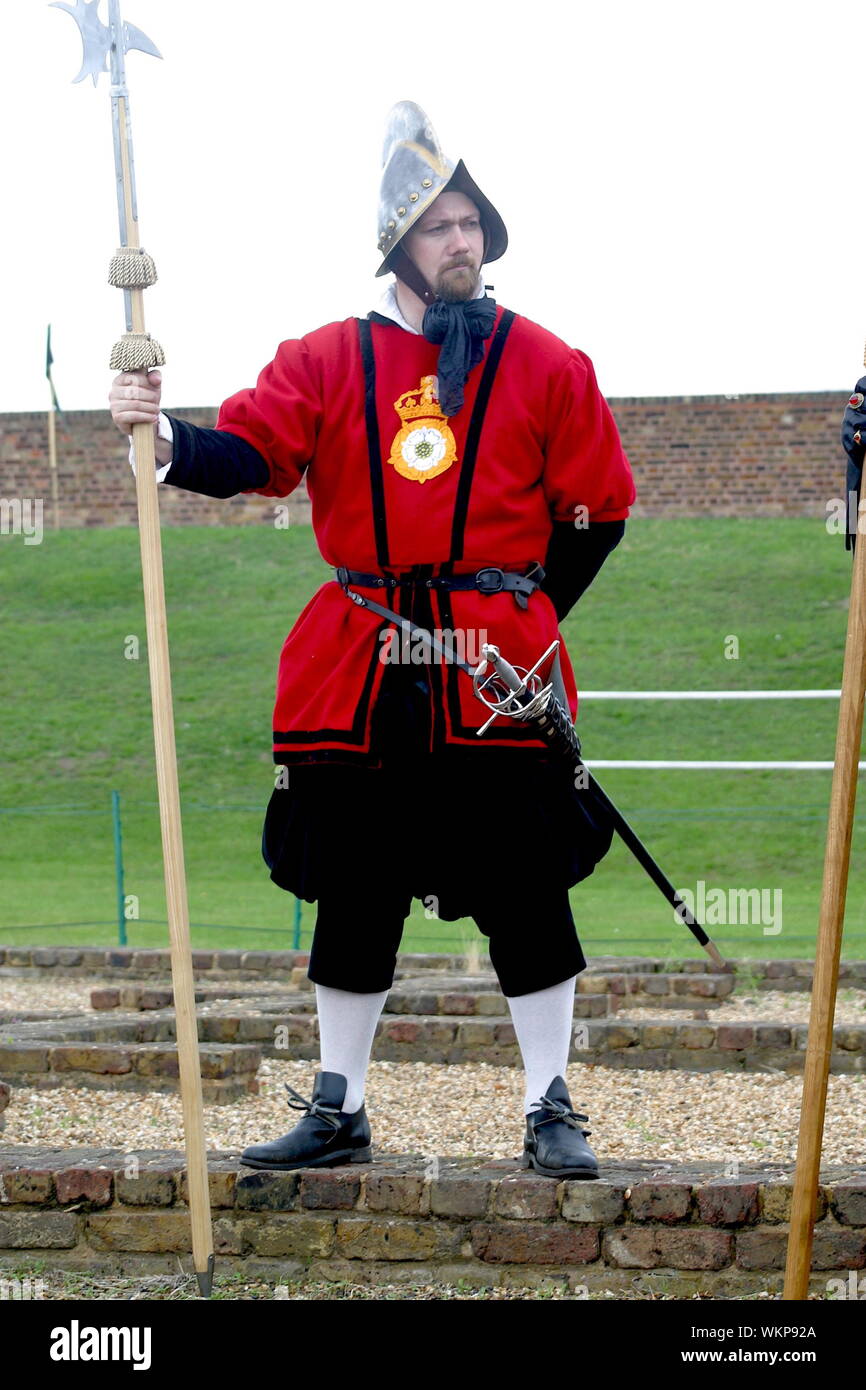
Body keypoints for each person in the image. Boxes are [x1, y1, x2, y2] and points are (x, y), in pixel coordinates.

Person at [109, 101, 636, 1181]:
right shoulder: (323, 358)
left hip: (493, 668)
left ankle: (549, 1103)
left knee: (525, 881)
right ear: (398, 246)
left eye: (470, 222)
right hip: (359, 658)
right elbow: (247, 450)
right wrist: (159, 435)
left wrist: (525, 620)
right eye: (438, 225)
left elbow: (599, 510)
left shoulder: (547, 362)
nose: (461, 240)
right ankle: (338, 1103)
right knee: (355, 879)